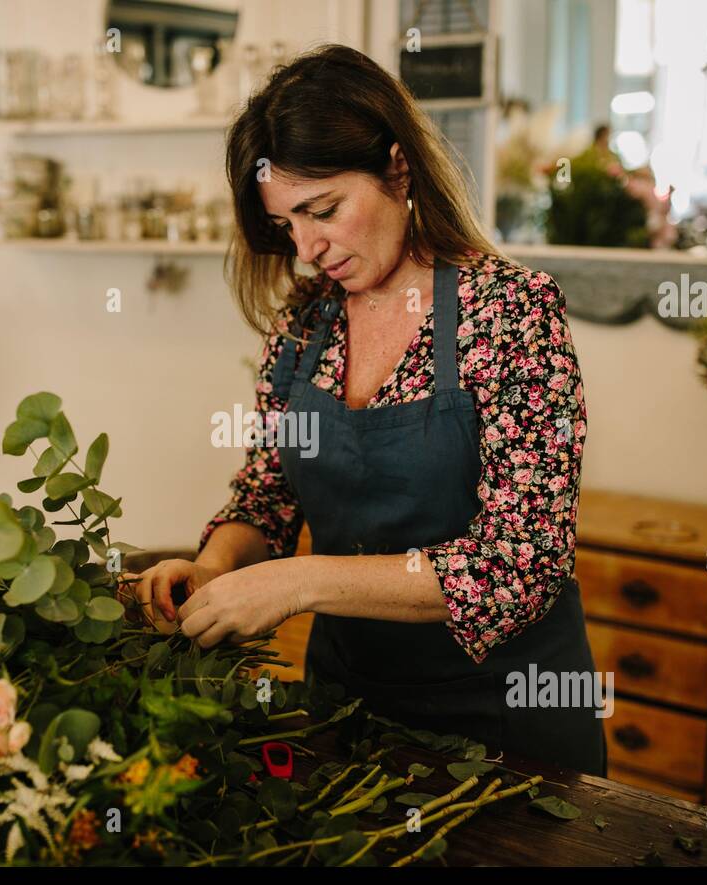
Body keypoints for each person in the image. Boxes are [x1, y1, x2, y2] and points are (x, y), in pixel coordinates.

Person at [129, 44, 607, 776]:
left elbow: (518, 566)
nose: (309, 247)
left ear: (397, 168)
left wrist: (298, 581)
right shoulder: (303, 324)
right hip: (349, 708)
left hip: (509, 722)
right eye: (287, 224)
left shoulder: (510, 313)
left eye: (324, 210)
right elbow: (269, 493)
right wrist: (213, 566)